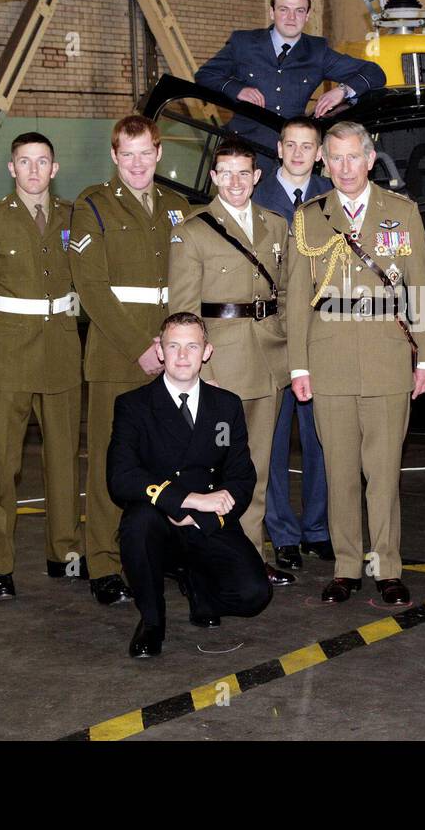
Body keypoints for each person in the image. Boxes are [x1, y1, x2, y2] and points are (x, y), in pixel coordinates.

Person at [287, 121, 425, 605]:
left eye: (355, 157)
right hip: (327, 359)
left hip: (387, 356)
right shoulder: (310, 217)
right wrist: (298, 366)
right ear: (322, 163)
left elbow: (419, 286)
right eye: (336, 158)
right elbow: (295, 298)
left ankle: (387, 565)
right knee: (340, 471)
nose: (345, 167)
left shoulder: (401, 212)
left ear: (371, 159)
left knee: (384, 468)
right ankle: (347, 565)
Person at [0, 132, 84, 601]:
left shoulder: (73, 216)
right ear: (11, 168)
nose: (33, 170)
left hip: (63, 350)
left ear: (55, 168)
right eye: (24, 162)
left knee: (64, 459)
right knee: (2, 465)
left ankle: (63, 552)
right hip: (8, 355)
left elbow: (93, 278)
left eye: (42, 161)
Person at [69, 115, 190, 607]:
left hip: (174, 357)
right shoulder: (92, 206)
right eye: (128, 154)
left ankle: (159, 553)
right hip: (119, 356)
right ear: (114, 157)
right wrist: (143, 346)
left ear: (159, 154)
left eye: (146, 153)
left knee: (170, 461)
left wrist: (178, 348)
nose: (138, 163)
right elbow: (92, 288)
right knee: (110, 460)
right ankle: (101, 560)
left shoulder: (179, 208)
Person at [166, 139, 296, 589]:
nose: (236, 182)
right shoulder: (193, 230)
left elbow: (286, 297)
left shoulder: (277, 226)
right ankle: (206, 557)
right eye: (227, 173)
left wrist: (292, 358)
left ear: (258, 177)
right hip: (219, 364)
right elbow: (183, 313)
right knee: (209, 470)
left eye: (245, 173)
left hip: (268, 359)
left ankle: (252, 555)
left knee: (254, 469)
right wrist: (199, 373)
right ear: (214, 178)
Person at [107, 313, 272, 657]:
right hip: (159, 521)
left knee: (254, 595)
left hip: (206, 524)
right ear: (160, 351)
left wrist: (204, 516)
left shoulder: (226, 406)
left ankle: (197, 584)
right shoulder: (134, 406)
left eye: (192, 346)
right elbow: (121, 476)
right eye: (174, 346)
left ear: (207, 352)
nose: (183, 356)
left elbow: (241, 477)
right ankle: (152, 621)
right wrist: (186, 501)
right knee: (137, 524)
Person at [252, 117, 334, 570]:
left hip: (321, 335)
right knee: (274, 438)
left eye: (308, 146)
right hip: (273, 336)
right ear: (279, 149)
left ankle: (318, 528)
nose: (299, 153)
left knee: (322, 437)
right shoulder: (255, 195)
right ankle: (281, 531)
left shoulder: (334, 197)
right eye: (292, 145)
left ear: (318, 153)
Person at [195, 0, 386, 158]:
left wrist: (342, 91)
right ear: (272, 12)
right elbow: (204, 75)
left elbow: (375, 73)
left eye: (299, 10)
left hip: (290, 156)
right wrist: (237, 89)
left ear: (308, 15)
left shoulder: (317, 52)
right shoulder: (243, 43)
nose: (291, 18)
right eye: (284, 9)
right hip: (242, 150)